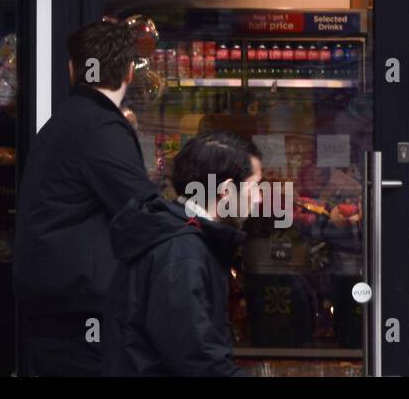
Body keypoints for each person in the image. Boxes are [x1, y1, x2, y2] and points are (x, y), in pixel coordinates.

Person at [15, 19, 153, 376]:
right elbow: (143, 212)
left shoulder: (64, 122)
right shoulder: (100, 126)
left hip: (52, 311)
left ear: (72, 68)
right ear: (129, 73)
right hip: (79, 316)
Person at [104, 130, 260, 376]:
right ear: (227, 190)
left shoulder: (180, 236)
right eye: (255, 187)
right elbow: (196, 358)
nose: (259, 198)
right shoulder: (182, 252)